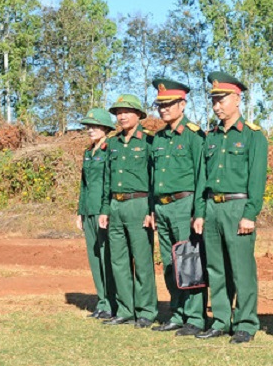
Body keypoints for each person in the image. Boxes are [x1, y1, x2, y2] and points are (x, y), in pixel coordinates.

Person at [192, 72, 268, 344]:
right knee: (215, 267)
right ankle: (221, 319)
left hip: (237, 206)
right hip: (213, 207)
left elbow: (257, 180)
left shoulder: (253, 136)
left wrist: (250, 213)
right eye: (213, 100)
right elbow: (202, 177)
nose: (216, 106)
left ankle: (246, 322)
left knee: (241, 268)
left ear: (237, 99)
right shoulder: (210, 137)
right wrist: (200, 212)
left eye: (221, 99)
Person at [147, 79, 208, 336]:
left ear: (182, 105)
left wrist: (198, 212)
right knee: (170, 263)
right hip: (162, 208)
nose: (164, 109)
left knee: (189, 261)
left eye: (169, 104)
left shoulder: (195, 136)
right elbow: (152, 178)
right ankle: (177, 312)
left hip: (185, 205)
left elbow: (201, 176)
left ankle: (195, 316)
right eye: (160, 105)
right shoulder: (158, 139)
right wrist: (151, 209)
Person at [98, 95, 158, 328]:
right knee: (119, 261)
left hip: (139, 203)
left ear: (139, 115)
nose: (121, 116)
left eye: (126, 112)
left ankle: (146, 310)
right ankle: (125, 309)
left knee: (142, 261)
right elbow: (106, 179)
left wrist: (151, 209)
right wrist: (105, 208)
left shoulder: (148, 143)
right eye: (118, 113)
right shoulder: (111, 144)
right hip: (116, 205)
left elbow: (155, 180)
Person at [77, 108, 117, 320]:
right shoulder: (88, 152)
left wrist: (106, 210)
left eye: (94, 126)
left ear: (105, 128)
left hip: (103, 212)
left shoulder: (109, 150)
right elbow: (84, 186)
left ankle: (112, 302)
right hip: (88, 212)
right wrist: (80, 212)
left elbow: (109, 185)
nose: (90, 130)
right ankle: (102, 302)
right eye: (88, 127)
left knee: (106, 257)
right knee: (94, 258)